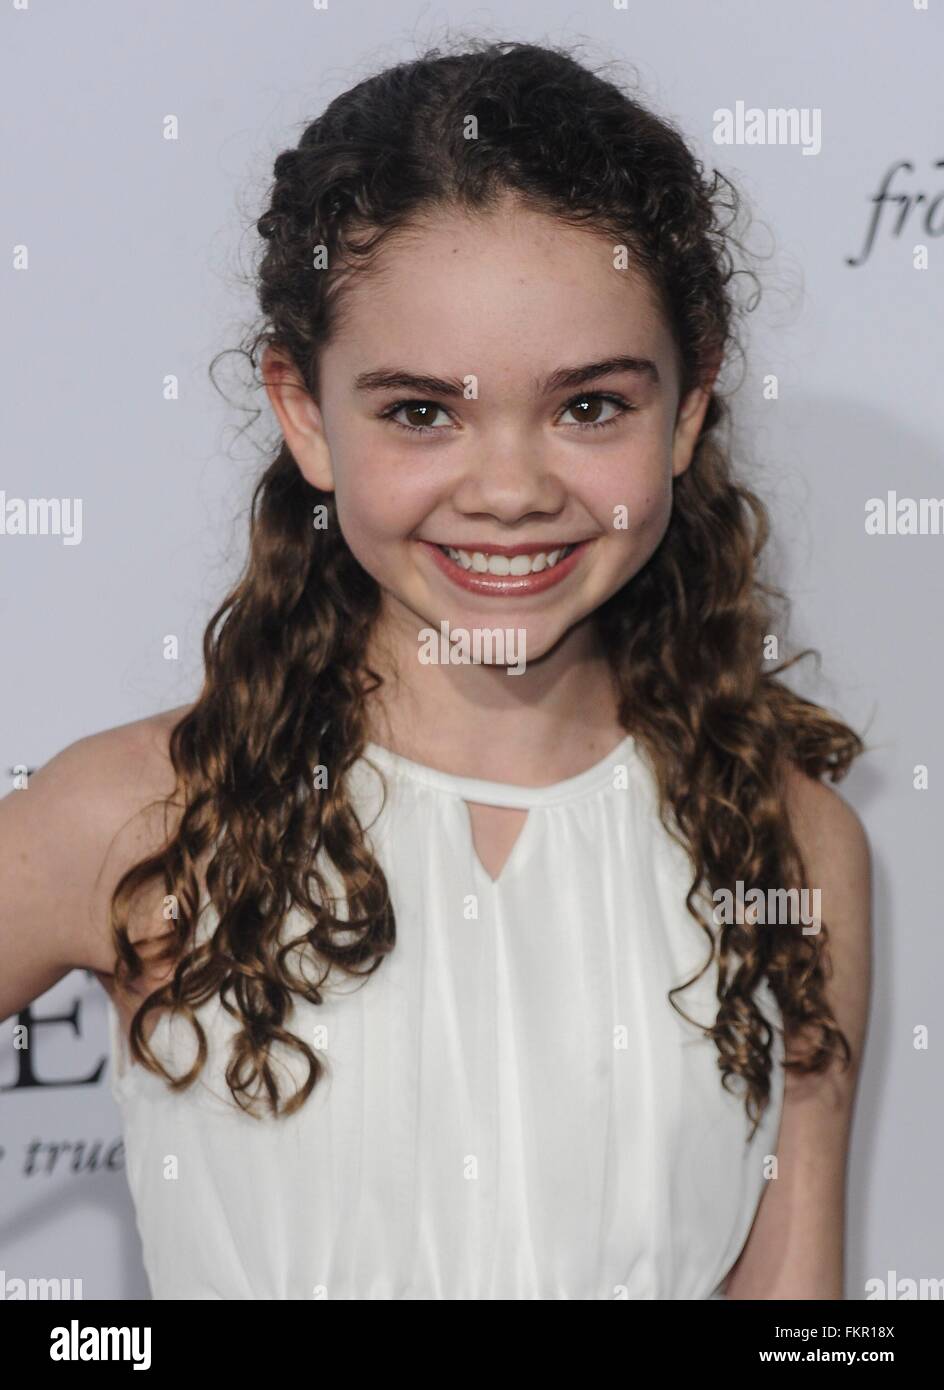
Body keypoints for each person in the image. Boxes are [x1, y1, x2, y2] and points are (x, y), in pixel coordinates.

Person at [0, 38, 872, 1300]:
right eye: (420, 412)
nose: (509, 491)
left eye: (588, 407)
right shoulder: (138, 814)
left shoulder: (787, 848)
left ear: (685, 409)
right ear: (305, 414)